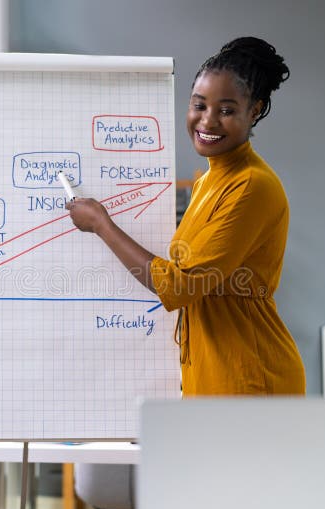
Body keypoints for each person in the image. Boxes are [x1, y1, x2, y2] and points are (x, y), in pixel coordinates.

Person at [66, 36, 305, 395]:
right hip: (211, 372)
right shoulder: (209, 181)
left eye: (226, 110)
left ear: (254, 111)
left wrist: (101, 224)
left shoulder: (251, 186)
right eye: (199, 105)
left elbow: (180, 285)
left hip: (248, 377)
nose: (207, 120)